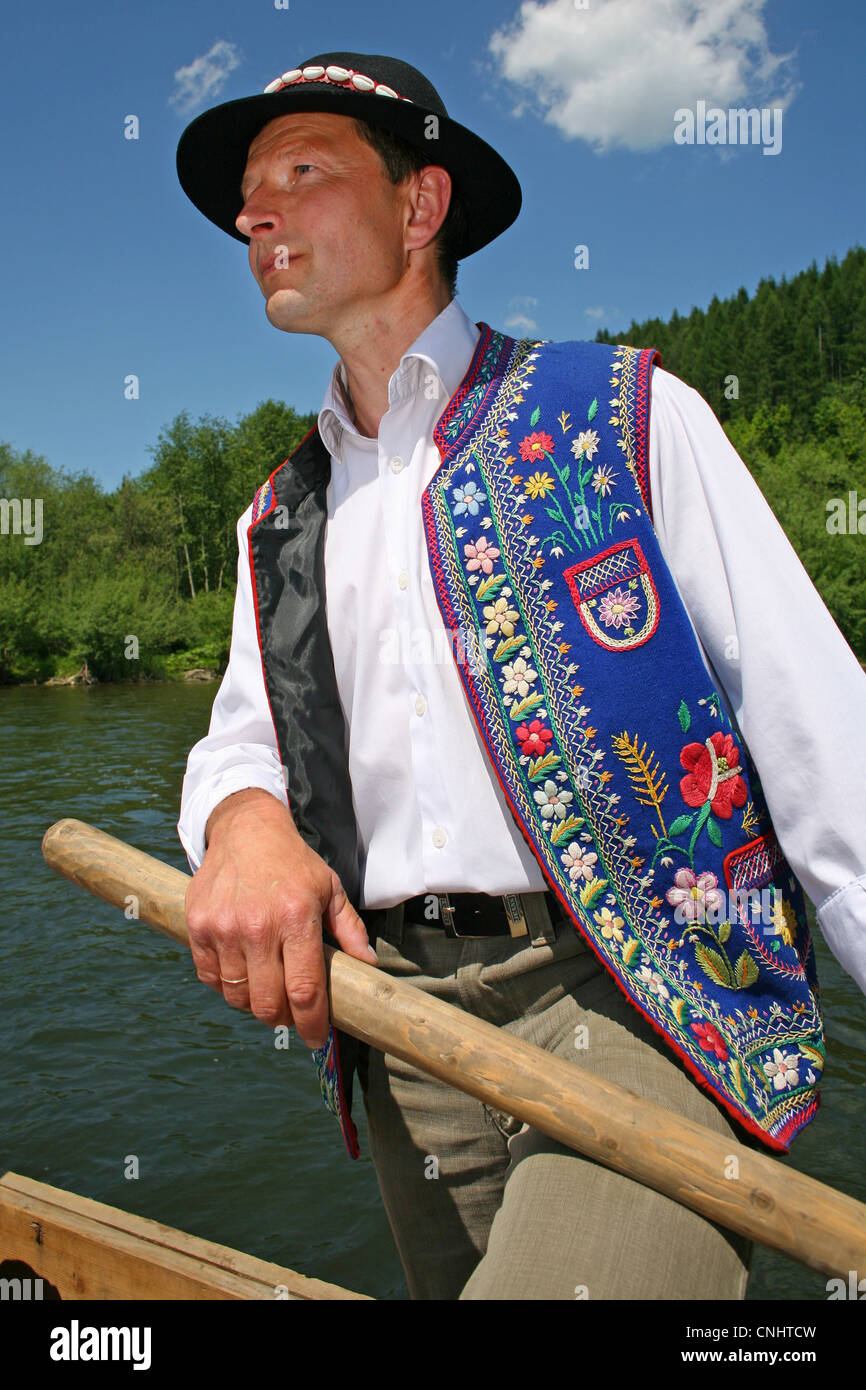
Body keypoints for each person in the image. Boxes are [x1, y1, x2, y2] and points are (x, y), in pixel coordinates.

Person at [175, 51, 866, 1300]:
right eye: (247, 192)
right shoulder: (278, 517)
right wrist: (242, 822)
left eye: (301, 172)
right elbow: (242, 739)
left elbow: (825, 749)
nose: (252, 214)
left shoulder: (629, 415)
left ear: (419, 206)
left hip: (647, 990)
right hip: (396, 1033)